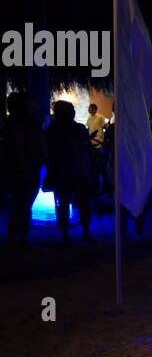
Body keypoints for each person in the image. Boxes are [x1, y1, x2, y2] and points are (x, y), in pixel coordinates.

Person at [43, 101, 95, 244]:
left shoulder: (54, 130)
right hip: (74, 172)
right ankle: (82, 233)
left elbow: (49, 153)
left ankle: (69, 234)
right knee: (79, 203)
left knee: (65, 204)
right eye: (71, 110)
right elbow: (87, 151)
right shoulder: (74, 129)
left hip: (67, 172)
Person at [2, 92, 46, 250]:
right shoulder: (26, 124)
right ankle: (20, 239)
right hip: (24, 169)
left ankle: (15, 238)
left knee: (18, 206)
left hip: (18, 169)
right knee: (23, 205)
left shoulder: (10, 124)